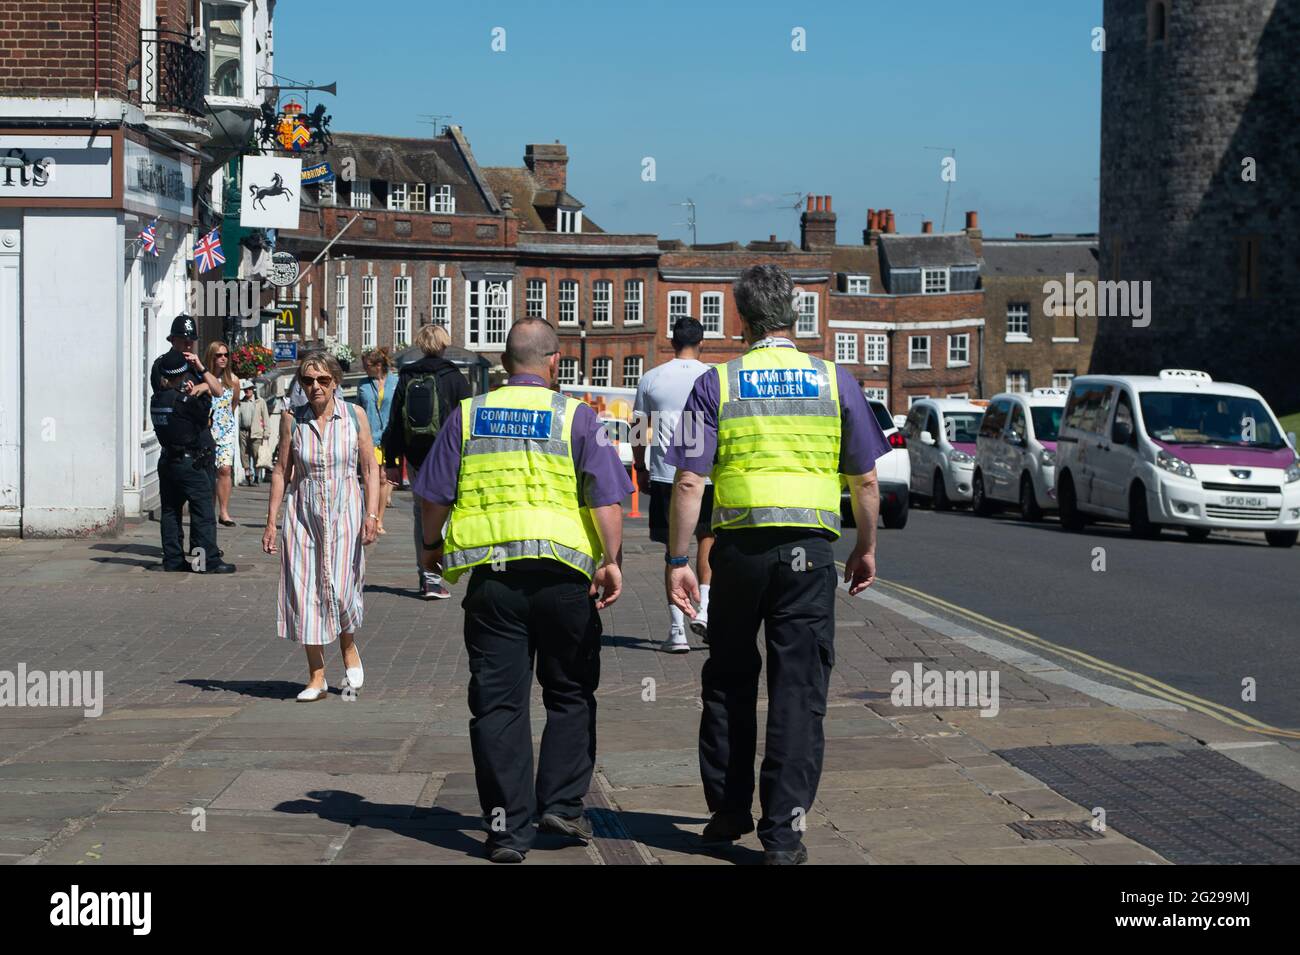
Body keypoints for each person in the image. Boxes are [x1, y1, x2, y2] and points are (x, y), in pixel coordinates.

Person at [664, 264, 888, 865]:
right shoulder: (836, 380)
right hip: (808, 556)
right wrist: (864, 549)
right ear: (795, 314)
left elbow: (689, 481)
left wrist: (680, 560)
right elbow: (866, 479)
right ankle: (784, 834)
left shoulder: (717, 382)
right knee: (797, 689)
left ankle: (729, 809)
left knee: (731, 679)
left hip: (737, 553)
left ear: (740, 318)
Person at [412, 319, 628, 863]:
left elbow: (433, 497)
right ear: (553, 362)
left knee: (498, 704)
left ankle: (507, 830)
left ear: (506, 363)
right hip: (563, 580)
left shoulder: (468, 415)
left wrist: (432, 549)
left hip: (494, 584)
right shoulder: (579, 417)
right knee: (570, 693)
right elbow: (607, 498)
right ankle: (561, 805)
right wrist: (611, 562)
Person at [262, 352, 381, 702]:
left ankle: (347, 643)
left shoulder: (354, 417)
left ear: (335, 382)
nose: (315, 387)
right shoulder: (292, 421)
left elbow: (370, 469)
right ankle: (316, 676)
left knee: (342, 586)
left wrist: (372, 516)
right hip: (303, 513)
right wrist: (272, 522)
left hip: (345, 511)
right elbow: (282, 471)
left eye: (323, 380)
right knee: (305, 590)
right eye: (308, 380)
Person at [632, 316, 714, 653]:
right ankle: (705, 612)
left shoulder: (651, 379)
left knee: (673, 553)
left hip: (667, 474)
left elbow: (637, 429)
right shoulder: (713, 377)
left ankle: (677, 631)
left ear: (671, 340)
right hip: (706, 475)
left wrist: (640, 466)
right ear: (701, 342)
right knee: (707, 541)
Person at [382, 323, 471, 599]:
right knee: (445, 510)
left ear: (421, 345)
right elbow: (467, 420)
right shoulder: (455, 377)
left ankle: (428, 576)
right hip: (447, 456)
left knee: (422, 514)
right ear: (444, 345)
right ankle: (438, 572)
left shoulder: (407, 375)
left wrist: (393, 460)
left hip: (416, 455)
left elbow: (395, 420)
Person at [148, 314, 236, 575]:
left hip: (174, 455)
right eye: (184, 340)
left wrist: (200, 378)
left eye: (191, 340)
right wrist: (199, 393)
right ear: (172, 339)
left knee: (171, 510)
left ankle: (174, 560)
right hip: (191, 451)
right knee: (201, 512)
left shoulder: (191, 367)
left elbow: (217, 390)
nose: (188, 344)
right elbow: (211, 398)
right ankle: (202, 561)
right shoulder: (162, 365)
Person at [356, 347, 399, 534]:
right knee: (370, 477)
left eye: (367, 366)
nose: (365, 369)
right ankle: (370, 516)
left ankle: (379, 519)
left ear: (378, 365)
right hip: (368, 436)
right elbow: (357, 409)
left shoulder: (396, 382)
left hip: (389, 437)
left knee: (383, 479)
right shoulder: (363, 385)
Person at [201, 341, 240, 526]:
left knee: (225, 469)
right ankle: (209, 510)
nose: (223, 358)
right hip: (207, 431)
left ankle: (224, 511)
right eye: (218, 355)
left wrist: (225, 423)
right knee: (208, 473)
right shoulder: (204, 380)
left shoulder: (233, 381)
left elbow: (233, 404)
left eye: (225, 355)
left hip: (226, 431)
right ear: (211, 357)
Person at [238, 379, 271, 485]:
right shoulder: (241, 402)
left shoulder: (260, 402)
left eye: (248, 389)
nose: (247, 391)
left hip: (256, 432)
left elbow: (266, 417)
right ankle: (248, 477)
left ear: (253, 390)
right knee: (244, 455)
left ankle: (256, 478)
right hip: (243, 431)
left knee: (257, 455)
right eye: (245, 389)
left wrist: (266, 433)